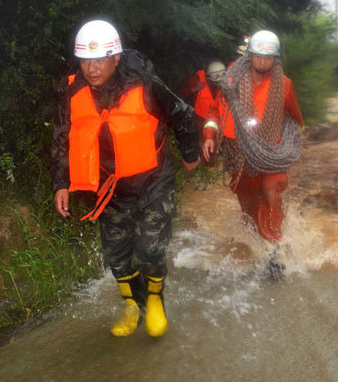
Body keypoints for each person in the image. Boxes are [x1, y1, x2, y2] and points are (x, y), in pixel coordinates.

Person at [51, 19, 200, 338]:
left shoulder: (145, 84)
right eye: (85, 61)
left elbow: (183, 114)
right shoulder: (73, 91)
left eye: (100, 59)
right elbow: (64, 136)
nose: (92, 68)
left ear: (116, 57)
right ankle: (132, 304)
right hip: (111, 187)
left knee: (150, 249)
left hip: (153, 181)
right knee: (116, 254)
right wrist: (61, 183)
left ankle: (156, 298)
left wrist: (190, 155)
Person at [200, 30, 303, 279]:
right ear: (251, 56)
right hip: (238, 153)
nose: (263, 62)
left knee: (271, 190)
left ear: (274, 60)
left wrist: (291, 141)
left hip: (271, 153)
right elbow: (214, 113)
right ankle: (259, 242)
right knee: (248, 206)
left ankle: (273, 250)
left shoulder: (284, 85)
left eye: (268, 58)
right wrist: (209, 136)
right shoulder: (231, 81)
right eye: (258, 57)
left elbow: (295, 118)